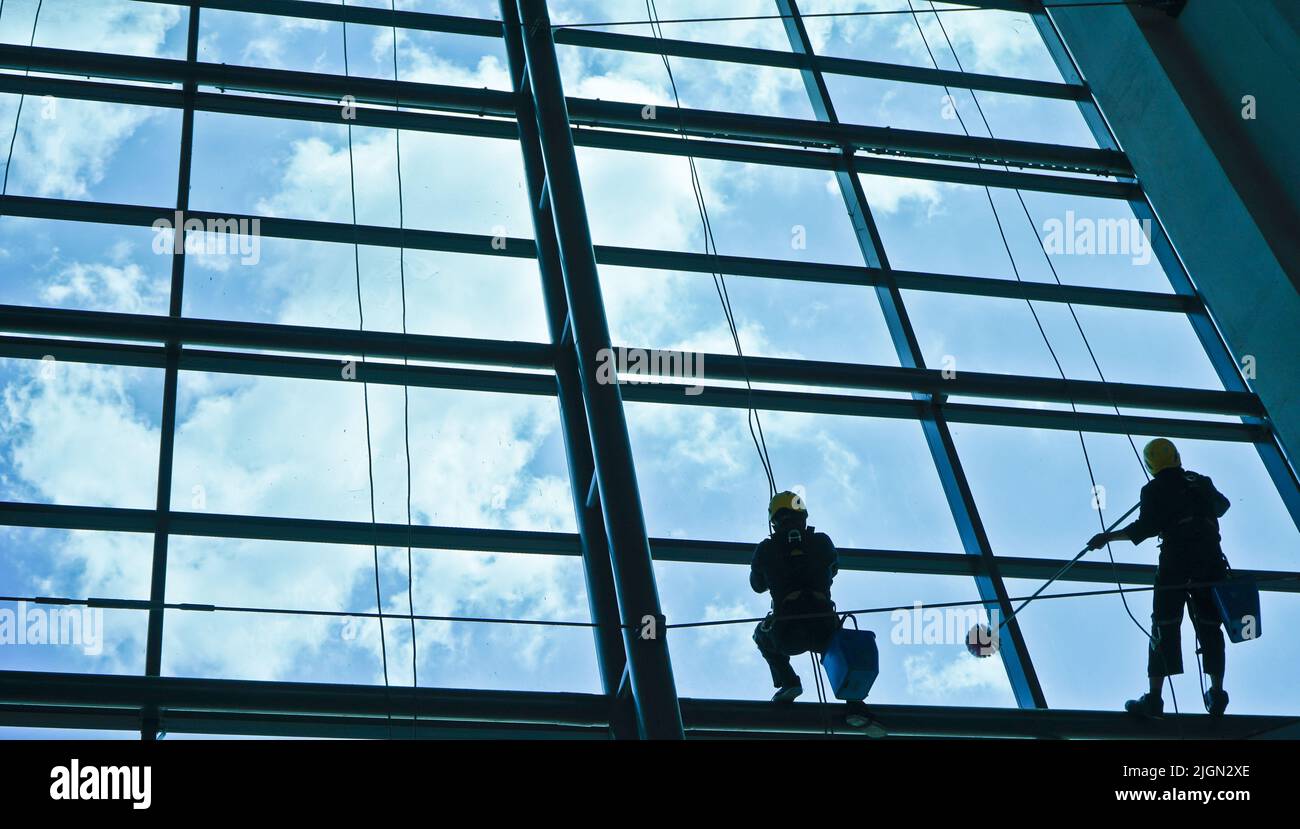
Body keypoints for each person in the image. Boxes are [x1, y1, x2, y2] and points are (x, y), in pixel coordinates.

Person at [1086, 438, 1232, 717]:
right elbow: (1222, 507)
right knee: (1210, 625)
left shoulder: (1153, 489)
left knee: (1164, 624)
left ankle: (1154, 698)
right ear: (1177, 457)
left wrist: (1108, 537)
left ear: (1151, 466)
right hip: (1210, 561)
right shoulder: (1200, 481)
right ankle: (1217, 692)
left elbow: (1146, 527)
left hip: (1176, 562)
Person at [750, 491, 880, 733]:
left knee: (761, 635)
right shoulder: (822, 542)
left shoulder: (766, 549)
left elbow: (757, 586)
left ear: (774, 520)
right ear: (804, 515)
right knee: (843, 654)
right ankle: (855, 705)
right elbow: (833, 570)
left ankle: (789, 683)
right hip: (823, 623)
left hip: (787, 628)